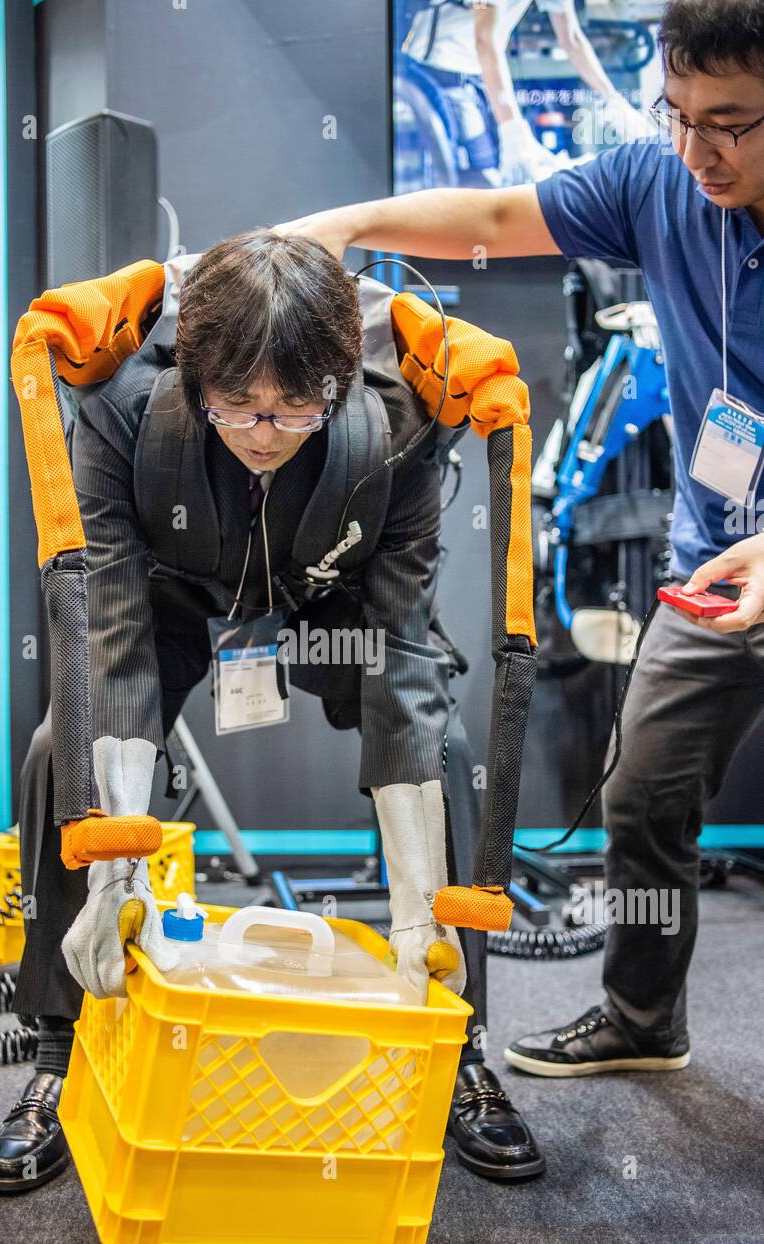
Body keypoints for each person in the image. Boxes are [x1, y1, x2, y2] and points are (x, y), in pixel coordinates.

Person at [0, 231, 544, 1193]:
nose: (264, 432)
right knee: (53, 751)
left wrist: (418, 909)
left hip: (334, 597)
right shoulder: (115, 413)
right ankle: (55, 1051)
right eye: (236, 406)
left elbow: (402, 643)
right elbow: (107, 634)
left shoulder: (404, 424)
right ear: (193, 377)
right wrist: (112, 874)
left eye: (295, 409)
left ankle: (460, 1045)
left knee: (439, 745)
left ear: (340, 384)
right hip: (173, 593)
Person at [276, 0, 764, 1079]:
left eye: (728, 123)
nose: (696, 150)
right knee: (644, 790)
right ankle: (645, 1023)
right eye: (676, 113)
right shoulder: (658, 182)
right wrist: (343, 225)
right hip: (711, 570)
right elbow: (495, 219)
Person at [402, 0, 650, 186]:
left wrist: (614, 101)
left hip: (477, 76)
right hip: (438, 73)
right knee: (482, 179)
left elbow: (572, 39)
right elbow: (485, 40)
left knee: (504, 178)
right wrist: (512, 131)